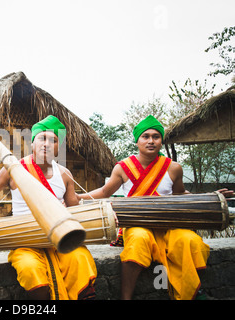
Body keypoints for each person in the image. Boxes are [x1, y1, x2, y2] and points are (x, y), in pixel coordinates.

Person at [78, 115, 234, 300]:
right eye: (145, 136)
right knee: (138, 239)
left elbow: (180, 194)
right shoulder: (123, 168)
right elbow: (105, 191)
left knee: (187, 239)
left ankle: (193, 293)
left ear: (161, 141)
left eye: (156, 136)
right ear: (137, 141)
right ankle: (125, 297)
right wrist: (78, 197)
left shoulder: (173, 168)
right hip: (137, 223)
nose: (151, 140)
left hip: (169, 223)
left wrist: (211, 197)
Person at [0, 115, 97, 300]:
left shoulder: (64, 175)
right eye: (42, 138)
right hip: (25, 241)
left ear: (58, 147)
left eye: (53, 140)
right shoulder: (13, 169)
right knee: (30, 269)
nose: (46, 144)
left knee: (80, 259)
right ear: (33, 142)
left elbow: (75, 210)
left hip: (59, 241)